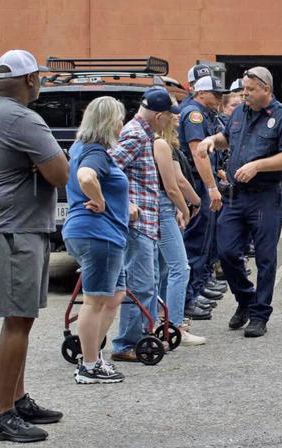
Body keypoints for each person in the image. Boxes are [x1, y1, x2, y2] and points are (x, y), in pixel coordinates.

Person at [0, 49, 68, 442]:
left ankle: (16, 399)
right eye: (39, 77)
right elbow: (60, 172)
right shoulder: (22, 118)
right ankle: (1, 415)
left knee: (23, 317)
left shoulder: (2, 110)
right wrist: (48, 161)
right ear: (30, 80)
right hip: (12, 228)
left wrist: (43, 162)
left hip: (16, 225)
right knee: (17, 319)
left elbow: (50, 167)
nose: (41, 82)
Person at [197, 66, 282, 337]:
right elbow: (226, 138)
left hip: (265, 196)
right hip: (236, 196)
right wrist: (211, 140)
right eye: (244, 89)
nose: (245, 94)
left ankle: (259, 314)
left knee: (265, 258)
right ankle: (246, 298)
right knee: (226, 251)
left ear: (266, 89)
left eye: (250, 90)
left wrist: (258, 166)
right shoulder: (239, 113)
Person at [62, 96, 129, 383]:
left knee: (114, 296)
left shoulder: (79, 147)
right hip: (97, 234)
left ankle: (92, 356)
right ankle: (89, 366)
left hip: (94, 233)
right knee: (95, 301)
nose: (122, 125)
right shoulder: (95, 152)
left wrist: (120, 204)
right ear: (109, 123)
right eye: (119, 119)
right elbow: (87, 177)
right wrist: (100, 200)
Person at [109, 87, 178, 362]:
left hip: (146, 224)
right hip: (137, 225)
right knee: (140, 286)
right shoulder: (136, 135)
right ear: (159, 116)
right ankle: (126, 343)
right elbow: (107, 169)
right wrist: (125, 203)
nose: (172, 121)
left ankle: (142, 336)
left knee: (148, 283)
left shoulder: (142, 134)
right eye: (170, 116)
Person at [155, 101, 206, 346]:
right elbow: (177, 183)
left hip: (161, 207)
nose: (178, 116)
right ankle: (174, 326)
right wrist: (193, 204)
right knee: (179, 268)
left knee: (162, 269)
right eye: (173, 113)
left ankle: (160, 320)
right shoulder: (162, 144)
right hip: (163, 209)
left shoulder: (162, 142)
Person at [180, 75, 228, 321]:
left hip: (202, 182)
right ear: (200, 93)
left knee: (205, 240)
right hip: (197, 184)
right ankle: (188, 297)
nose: (220, 98)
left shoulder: (204, 113)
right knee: (195, 241)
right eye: (215, 93)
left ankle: (197, 288)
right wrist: (211, 187)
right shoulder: (194, 115)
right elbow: (198, 154)